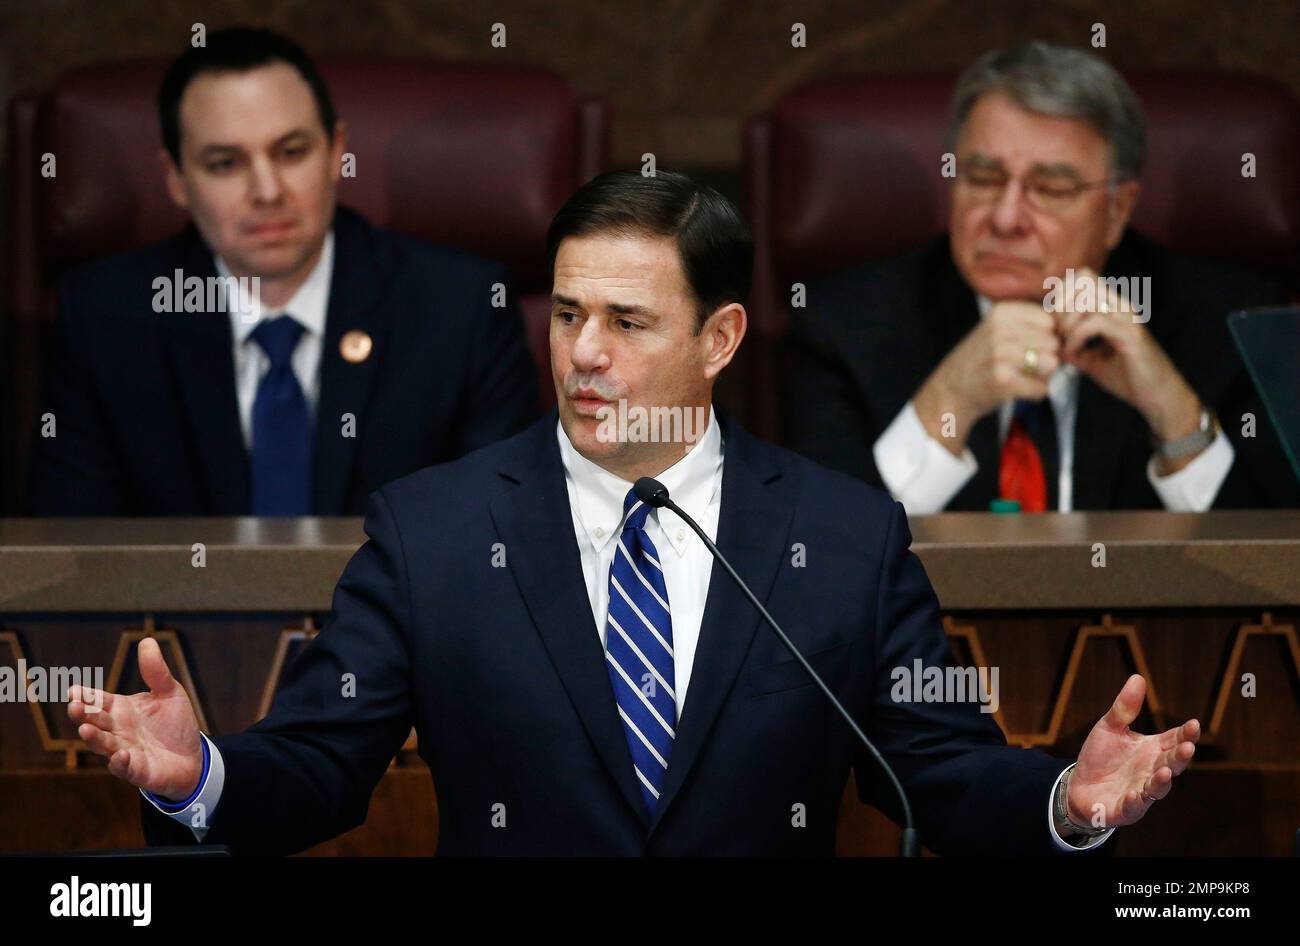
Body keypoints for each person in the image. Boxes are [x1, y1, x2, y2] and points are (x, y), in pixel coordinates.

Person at [68, 171, 1198, 856]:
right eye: (565, 316)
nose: (585, 356)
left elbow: (938, 772)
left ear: (720, 339)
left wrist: (1067, 795)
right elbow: (320, 769)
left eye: (627, 321)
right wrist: (204, 774)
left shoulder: (843, 537)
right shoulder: (436, 529)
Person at [26, 27, 537, 516]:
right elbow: (73, 561)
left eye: (291, 152)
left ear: (336, 151)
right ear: (176, 179)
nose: (268, 191)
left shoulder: (463, 310)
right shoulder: (104, 320)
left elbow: (499, 542)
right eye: (225, 163)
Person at [784, 41, 1297, 514]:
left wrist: (1174, 414)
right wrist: (947, 404)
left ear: (1118, 209)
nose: (1006, 219)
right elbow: (814, 563)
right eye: (983, 179)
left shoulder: (1228, 325)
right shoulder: (844, 327)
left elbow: (1273, 570)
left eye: (1050, 188)